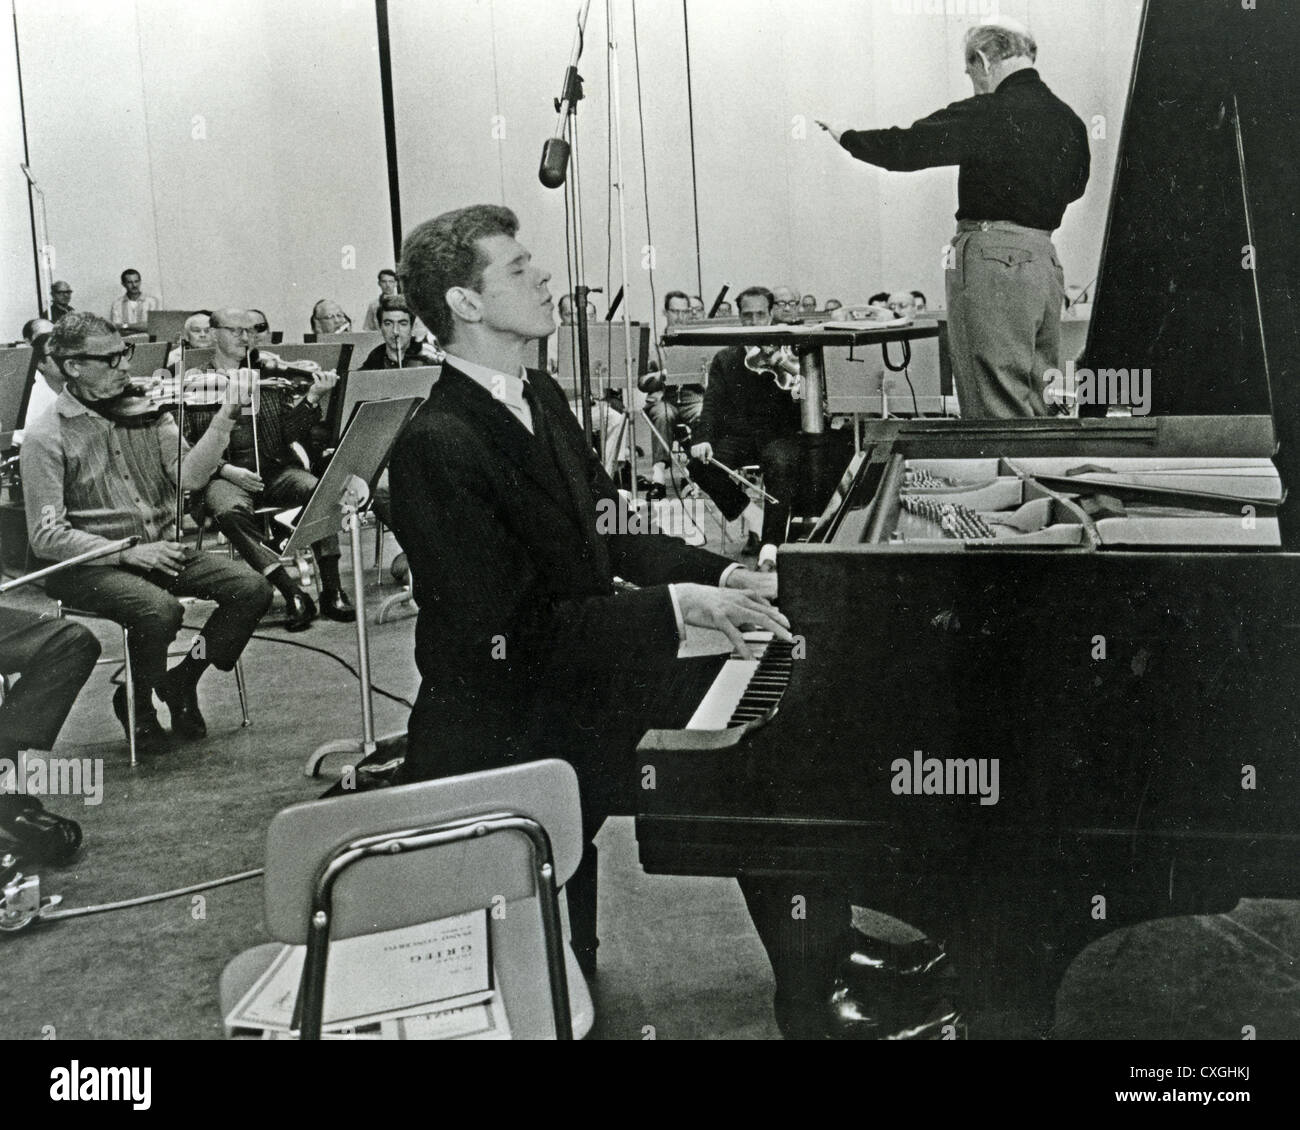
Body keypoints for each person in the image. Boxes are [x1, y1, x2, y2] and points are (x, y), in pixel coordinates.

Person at [387, 203, 798, 997]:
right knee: (753, 764)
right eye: (516, 268)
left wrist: (720, 577)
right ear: (465, 304)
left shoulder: (534, 393)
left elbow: (609, 528)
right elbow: (509, 637)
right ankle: (815, 992)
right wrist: (676, 607)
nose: (543, 275)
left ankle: (818, 967)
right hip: (507, 726)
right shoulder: (438, 445)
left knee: (767, 744)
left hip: (575, 687)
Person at [21, 313, 273, 748]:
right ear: (73, 366)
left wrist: (226, 416)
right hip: (89, 565)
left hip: (157, 550)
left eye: (125, 353)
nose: (124, 366)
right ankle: (136, 701)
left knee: (252, 589)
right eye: (110, 358)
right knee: (159, 611)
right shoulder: (46, 436)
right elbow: (47, 536)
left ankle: (183, 676)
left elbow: (191, 478)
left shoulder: (149, 410)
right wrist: (125, 552)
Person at [819, 17, 1088, 417]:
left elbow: (907, 148)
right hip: (1044, 259)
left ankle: (1000, 478)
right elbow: (1076, 187)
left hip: (991, 258)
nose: (973, 82)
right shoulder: (1070, 120)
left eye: (970, 72)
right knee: (1036, 395)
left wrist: (849, 138)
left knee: (992, 397)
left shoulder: (986, 111)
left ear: (982, 59)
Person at [185, 308, 354, 631]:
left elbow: (287, 434)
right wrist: (224, 470)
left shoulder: (267, 374)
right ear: (215, 332)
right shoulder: (195, 381)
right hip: (225, 476)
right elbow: (183, 445)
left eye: (251, 331)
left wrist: (313, 397)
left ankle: (332, 589)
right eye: (236, 330)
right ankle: (292, 593)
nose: (245, 338)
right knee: (229, 511)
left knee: (320, 490)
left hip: (274, 471)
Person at [687, 287, 803, 570]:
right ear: (739, 317)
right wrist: (703, 440)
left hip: (779, 434)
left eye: (760, 315)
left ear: (772, 314)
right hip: (740, 436)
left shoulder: (790, 351)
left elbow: (802, 399)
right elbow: (712, 405)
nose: (753, 322)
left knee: (781, 462)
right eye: (747, 316)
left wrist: (790, 374)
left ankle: (770, 549)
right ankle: (756, 518)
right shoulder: (726, 358)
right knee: (699, 465)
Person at [639, 290, 702, 499]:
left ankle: (693, 474)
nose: (680, 317)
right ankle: (658, 479)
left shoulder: (698, 341)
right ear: (665, 312)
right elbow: (642, 382)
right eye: (675, 311)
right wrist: (662, 376)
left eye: (685, 312)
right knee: (664, 414)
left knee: (705, 413)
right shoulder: (653, 346)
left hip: (692, 398)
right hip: (663, 399)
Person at [356, 295, 443, 369]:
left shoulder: (429, 358)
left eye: (402, 324)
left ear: (411, 327)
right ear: (380, 327)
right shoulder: (374, 360)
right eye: (388, 323)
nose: (395, 331)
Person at [109, 269, 160, 333]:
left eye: (136, 281)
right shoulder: (117, 304)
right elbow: (116, 328)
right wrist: (140, 326)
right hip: (126, 342)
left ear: (140, 282)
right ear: (123, 284)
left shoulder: (152, 302)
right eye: (130, 282)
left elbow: (152, 326)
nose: (134, 285)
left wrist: (125, 325)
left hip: (146, 341)